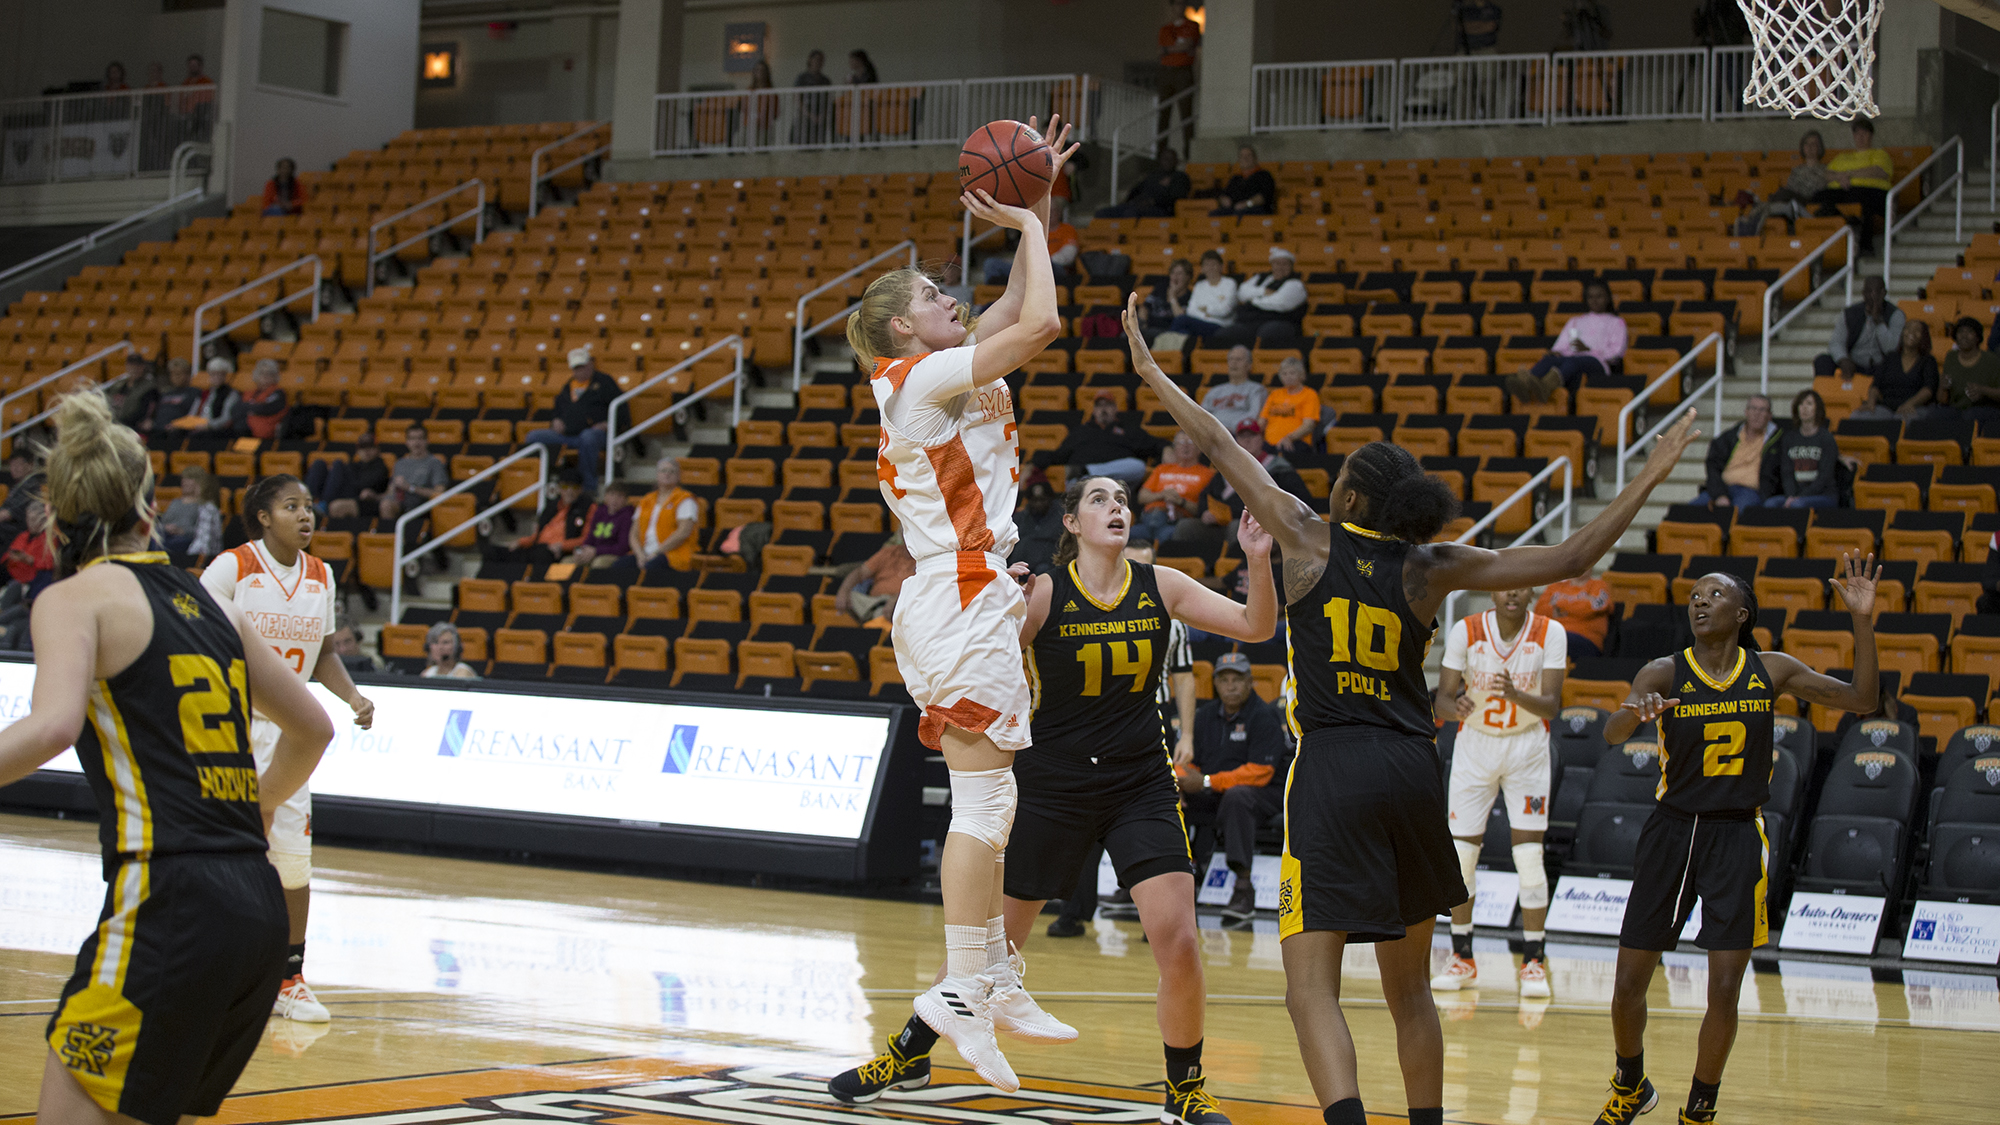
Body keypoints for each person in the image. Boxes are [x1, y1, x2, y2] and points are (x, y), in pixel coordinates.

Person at [1118, 289, 1700, 1125]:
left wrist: (1150, 367)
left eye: (1342, 475)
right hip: (1410, 767)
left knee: (1308, 985)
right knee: (1410, 991)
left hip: (1332, 769)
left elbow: (1214, 436)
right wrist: (1653, 464)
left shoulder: (1307, 533)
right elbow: (1575, 551)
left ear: (1351, 501)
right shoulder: (1433, 566)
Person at [832, 476, 1276, 1125]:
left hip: (1139, 782)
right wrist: (997, 607)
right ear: (1070, 521)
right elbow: (989, 663)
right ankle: (910, 1049)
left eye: (1121, 499)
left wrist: (1257, 560)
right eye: (1098, 499)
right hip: (1054, 783)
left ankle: (1185, 1088)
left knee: (1178, 938)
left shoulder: (1161, 585)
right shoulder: (1043, 591)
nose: (1115, 506)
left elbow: (1257, 624)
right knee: (991, 948)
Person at [0, 389, 333, 1125]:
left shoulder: (73, 597)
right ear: (149, 506)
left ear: (57, 514)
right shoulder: (215, 603)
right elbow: (314, 728)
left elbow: (53, 725)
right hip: (255, 902)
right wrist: (261, 806)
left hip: (169, 897)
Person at [834, 114, 1077, 1093]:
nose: (951, 299)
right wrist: (1023, 225)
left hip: (962, 594)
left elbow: (1017, 309)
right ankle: (968, 988)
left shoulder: (932, 371)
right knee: (983, 799)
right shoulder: (921, 375)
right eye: (936, 295)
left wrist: (1039, 203)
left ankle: (986, 979)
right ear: (903, 323)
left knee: (994, 796)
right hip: (961, 590)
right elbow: (1045, 322)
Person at [1595, 557, 1878, 1125]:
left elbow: (1862, 701)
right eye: (1695, 595)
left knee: (1724, 989)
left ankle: (1700, 1108)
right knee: (1628, 984)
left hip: (1736, 836)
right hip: (1671, 831)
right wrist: (1637, 712)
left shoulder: (1771, 670)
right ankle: (1630, 1083)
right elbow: (1612, 732)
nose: (1699, 601)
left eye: (1714, 594)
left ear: (1741, 613)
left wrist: (1863, 624)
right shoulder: (1663, 672)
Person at [201, 474, 375, 1026]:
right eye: (291, 506)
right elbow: (192, 635)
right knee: (213, 853)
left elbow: (323, 653)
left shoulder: (321, 575)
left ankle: (288, 977)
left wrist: (351, 696)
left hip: (289, 738)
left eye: (309, 507)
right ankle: (204, 966)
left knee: (293, 868)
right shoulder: (233, 567)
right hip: (225, 728)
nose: (306, 516)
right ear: (262, 516)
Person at [1429, 587, 1566, 999]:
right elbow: (1442, 703)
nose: (1513, 592)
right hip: (1476, 746)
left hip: (1527, 747)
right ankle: (1462, 955)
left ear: (1531, 592)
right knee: (1462, 856)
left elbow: (1552, 707)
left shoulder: (1550, 632)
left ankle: (1534, 961)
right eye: (1506, 585)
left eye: (1521, 586)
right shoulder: (1467, 630)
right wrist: (1457, 709)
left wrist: (1515, 694)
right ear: (1493, 591)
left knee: (1528, 856)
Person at [1181, 652, 1287, 921]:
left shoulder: (1264, 716)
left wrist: (1206, 781)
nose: (1230, 685)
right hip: (1216, 788)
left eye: (1237, 679)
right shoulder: (1204, 716)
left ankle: (1243, 889)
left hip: (1265, 792)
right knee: (1168, 796)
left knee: (1238, 797)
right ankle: (1180, 880)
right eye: (1224, 679)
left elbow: (1260, 772)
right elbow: (1187, 760)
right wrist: (1181, 780)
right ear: (1215, 684)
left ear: (1250, 682)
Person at [525, 348, 621, 493]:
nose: (579, 371)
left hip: (595, 434)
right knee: (534, 436)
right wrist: (556, 421)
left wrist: (608, 424)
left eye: (582, 366)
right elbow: (557, 409)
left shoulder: (605, 382)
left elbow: (620, 407)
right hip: (567, 435)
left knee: (587, 438)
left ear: (590, 364)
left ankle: (588, 487)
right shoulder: (568, 386)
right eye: (576, 368)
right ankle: (547, 479)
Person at [1515, 280, 1627, 401]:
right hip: (1573, 357)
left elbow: (1617, 351)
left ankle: (1546, 386)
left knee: (1572, 362)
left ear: (1608, 298)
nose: (1594, 300)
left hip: (1597, 362)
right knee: (1549, 359)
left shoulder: (1616, 322)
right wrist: (1557, 352)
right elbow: (1563, 344)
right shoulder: (1576, 321)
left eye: (1599, 296)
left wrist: (1592, 352)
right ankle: (1525, 383)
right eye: (1590, 297)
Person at [1032, 391, 1163, 493]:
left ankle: (1088, 471)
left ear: (1116, 409)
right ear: (1094, 410)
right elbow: (1059, 455)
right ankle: (1086, 476)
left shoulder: (1128, 430)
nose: (1103, 409)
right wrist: (1033, 464)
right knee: (1074, 480)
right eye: (1099, 406)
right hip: (1083, 484)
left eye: (1108, 405)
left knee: (1138, 466)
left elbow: (1154, 445)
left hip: (1116, 483)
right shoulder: (1080, 431)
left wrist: (1167, 449)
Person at [1814, 117, 1894, 254]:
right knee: (1818, 197)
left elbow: (1878, 171)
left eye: (1864, 133)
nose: (1860, 137)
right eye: (1857, 133)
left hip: (1872, 192)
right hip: (1843, 191)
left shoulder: (1880, 154)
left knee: (1862, 200)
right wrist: (1841, 177)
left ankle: (1865, 246)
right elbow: (1827, 175)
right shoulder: (1843, 157)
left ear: (1871, 135)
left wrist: (1848, 174)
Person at [1734, 130, 1829, 236]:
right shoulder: (1796, 170)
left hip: (1807, 200)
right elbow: (1791, 186)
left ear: (1819, 147)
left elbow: (1816, 188)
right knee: (1781, 201)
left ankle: (1757, 208)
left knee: (1783, 193)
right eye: (1806, 143)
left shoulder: (1825, 169)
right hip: (1791, 201)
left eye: (1813, 144)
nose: (1810, 147)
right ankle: (1756, 217)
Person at [490, 469, 589, 566]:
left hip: (557, 552)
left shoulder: (587, 508)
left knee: (541, 554)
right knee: (493, 552)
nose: (569, 491)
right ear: (558, 488)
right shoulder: (551, 507)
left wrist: (562, 546)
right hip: (538, 547)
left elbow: (586, 539)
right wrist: (520, 542)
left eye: (574, 487)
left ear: (581, 489)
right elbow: (537, 536)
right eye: (565, 486)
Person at [1764, 388, 1843, 509]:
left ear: (1817, 409)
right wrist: (1791, 495)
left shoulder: (1826, 438)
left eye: (1809, 404)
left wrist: (1800, 497)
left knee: (1798, 505)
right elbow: (1787, 473)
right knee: (1770, 504)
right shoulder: (1789, 438)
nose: (1804, 408)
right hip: (1795, 495)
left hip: (1823, 495)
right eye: (1801, 404)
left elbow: (1824, 477)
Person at [1695, 395, 1777, 509]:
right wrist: (1720, 495)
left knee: (1733, 514)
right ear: (1746, 412)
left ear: (1769, 416)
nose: (1757, 414)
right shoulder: (1729, 437)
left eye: (1762, 410)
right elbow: (1712, 466)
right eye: (1753, 408)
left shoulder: (1777, 441)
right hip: (1723, 488)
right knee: (1690, 510)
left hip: (1751, 492)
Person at [1814, 275, 1903, 380]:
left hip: (1882, 365)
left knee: (1896, 368)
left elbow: (1891, 349)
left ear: (1883, 293)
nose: (1871, 296)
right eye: (1868, 292)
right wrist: (1843, 359)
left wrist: (1878, 322)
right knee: (1822, 361)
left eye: (1875, 292)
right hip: (1854, 363)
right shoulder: (1850, 313)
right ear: (1863, 293)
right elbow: (1836, 342)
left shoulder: (1896, 315)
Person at [1134, 431, 1215, 546]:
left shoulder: (1207, 474)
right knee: (1129, 534)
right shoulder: (1162, 469)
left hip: (1177, 521)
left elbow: (1202, 508)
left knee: (1168, 536)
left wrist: (1180, 501)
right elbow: (1142, 496)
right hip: (1150, 518)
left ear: (1199, 449)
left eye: (1190, 442)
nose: (1185, 446)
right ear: (1174, 448)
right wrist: (1163, 494)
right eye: (1181, 442)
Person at [1850, 319, 1940, 420]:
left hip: (1915, 407)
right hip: (1887, 407)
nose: (1911, 332)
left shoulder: (1928, 361)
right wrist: (1871, 403)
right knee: (1857, 416)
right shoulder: (1890, 357)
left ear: (1924, 337)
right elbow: (1875, 385)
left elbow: (1928, 390)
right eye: (1908, 328)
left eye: (1917, 330)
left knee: (1903, 420)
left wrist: (1909, 404)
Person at [628, 456, 700, 574]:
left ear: (678, 477)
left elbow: (683, 532)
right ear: (657, 475)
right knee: (619, 567)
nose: (667, 474)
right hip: (644, 553)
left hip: (672, 554)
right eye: (663, 471)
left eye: (672, 471)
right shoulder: (646, 500)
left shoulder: (685, 499)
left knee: (651, 568)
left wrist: (656, 553)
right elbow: (633, 534)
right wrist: (640, 555)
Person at [1229, 247, 1309, 343]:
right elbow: (1242, 293)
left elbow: (1280, 303)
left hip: (1281, 321)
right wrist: (1263, 292)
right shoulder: (1261, 277)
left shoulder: (1296, 283)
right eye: (1277, 263)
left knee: (1268, 333)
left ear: (1291, 266)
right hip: (1252, 320)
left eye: (1285, 264)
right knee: (1228, 332)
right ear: (1272, 265)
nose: (1280, 267)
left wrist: (1252, 300)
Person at [306, 433, 390, 520]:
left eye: (370, 447)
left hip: (359, 498)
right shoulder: (355, 465)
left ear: (377, 449)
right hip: (347, 492)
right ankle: (309, 503)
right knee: (318, 464)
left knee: (338, 464)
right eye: (362, 447)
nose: (366, 451)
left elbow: (363, 484)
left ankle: (324, 506)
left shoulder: (381, 467)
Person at [837, 533, 916, 625]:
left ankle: (873, 619)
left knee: (885, 612)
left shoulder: (924, 559)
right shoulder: (887, 552)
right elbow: (860, 572)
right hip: (873, 601)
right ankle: (873, 614)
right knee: (849, 597)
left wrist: (897, 598)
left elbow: (921, 587)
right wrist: (843, 591)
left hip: (901, 603)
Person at [379, 422, 449, 526]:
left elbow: (439, 493)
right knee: (383, 504)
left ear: (427, 441)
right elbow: (390, 491)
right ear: (407, 442)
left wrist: (410, 487)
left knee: (387, 505)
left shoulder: (435, 463)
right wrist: (374, 496)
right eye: (412, 439)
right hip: (399, 504)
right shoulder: (400, 463)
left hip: (422, 507)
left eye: (420, 438)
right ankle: (389, 538)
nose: (416, 443)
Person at [1099, 146, 1191, 220]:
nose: (1168, 162)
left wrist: (1153, 201)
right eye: (1165, 159)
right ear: (1160, 160)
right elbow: (1136, 190)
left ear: (1176, 161)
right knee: (1102, 213)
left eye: (1171, 159)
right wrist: (1128, 201)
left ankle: (1126, 241)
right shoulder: (1152, 175)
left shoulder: (1180, 177)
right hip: (1137, 206)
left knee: (1130, 213)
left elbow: (1177, 197)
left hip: (1161, 210)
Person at [1535, 574, 1611, 660]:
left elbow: (1592, 608)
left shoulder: (1599, 585)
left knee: (1555, 640)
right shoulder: (1555, 586)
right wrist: (1580, 602)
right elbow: (1539, 610)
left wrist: (1559, 604)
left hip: (1585, 640)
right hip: (1553, 635)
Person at [1157, 4, 1201, 153]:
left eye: (1182, 4)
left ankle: (1188, 151)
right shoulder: (1166, 29)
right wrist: (1178, 47)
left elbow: (1188, 45)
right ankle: (1160, 151)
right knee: (1163, 113)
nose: (1179, 8)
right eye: (1176, 4)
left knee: (1186, 113)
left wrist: (1171, 49)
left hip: (1184, 72)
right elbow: (1162, 49)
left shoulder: (1193, 26)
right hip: (1166, 72)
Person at [1941, 315, 2000, 425]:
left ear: (1977, 337)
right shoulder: (1951, 357)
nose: (1964, 336)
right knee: (1935, 414)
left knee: (1971, 415)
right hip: (1956, 409)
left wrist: (1983, 390)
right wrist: (1942, 386)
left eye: (1969, 332)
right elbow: (1942, 399)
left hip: (1986, 409)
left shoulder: (1992, 360)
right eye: (1960, 332)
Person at [1169, 250, 1239, 338]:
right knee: (1184, 332)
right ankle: (1172, 351)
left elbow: (1225, 311)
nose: (1210, 267)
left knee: (1181, 320)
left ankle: (1166, 349)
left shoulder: (1230, 283)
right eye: (1207, 264)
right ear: (1202, 269)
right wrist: (1207, 312)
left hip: (1220, 325)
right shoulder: (1199, 286)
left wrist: (1205, 309)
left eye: (1213, 264)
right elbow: (1191, 310)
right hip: (1199, 324)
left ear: (1221, 266)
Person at [1260, 356, 1322, 452]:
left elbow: (1308, 425)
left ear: (1301, 375)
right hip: (1269, 443)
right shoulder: (1275, 394)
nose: (1288, 376)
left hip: (1295, 442)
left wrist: (1289, 437)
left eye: (1292, 373)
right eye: (1284, 373)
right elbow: (1262, 421)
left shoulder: (1309, 394)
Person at [158, 466, 223, 557]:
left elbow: (202, 532)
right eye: (183, 479)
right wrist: (166, 528)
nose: (184, 482)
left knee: (172, 544)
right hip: (167, 536)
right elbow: (163, 522)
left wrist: (182, 531)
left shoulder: (204, 506)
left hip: (186, 540)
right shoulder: (175, 502)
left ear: (198, 482)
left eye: (189, 479)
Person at [1199, 345, 1264, 432]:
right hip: (1212, 433)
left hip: (1239, 433)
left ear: (1249, 365)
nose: (1234, 363)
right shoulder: (1214, 391)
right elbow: (1202, 415)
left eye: (1238, 359)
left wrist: (1229, 429)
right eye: (1231, 359)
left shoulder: (1257, 389)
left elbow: (1254, 415)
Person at [572, 480, 633, 567]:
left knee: (599, 563)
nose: (614, 499)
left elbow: (622, 548)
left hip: (612, 555)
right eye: (612, 494)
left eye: (619, 496)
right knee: (567, 561)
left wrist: (596, 551)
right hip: (594, 552)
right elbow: (590, 538)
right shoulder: (599, 512)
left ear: (626, 500)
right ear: (605, 497)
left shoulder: (627, 516)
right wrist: (581, 550)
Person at [1010, 479, 1065, 573]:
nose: (1038, 504)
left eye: (1042, 500)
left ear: (1050, 499)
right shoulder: (1019, 518)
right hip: (1021, 564)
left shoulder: (1061, 518)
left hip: (1049, 566)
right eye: (1034, 500)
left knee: (1043, 569)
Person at [1210, 145, 1276, 217]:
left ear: (1255, 158)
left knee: (1239, 214)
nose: (1245, 158)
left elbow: (1264, 197)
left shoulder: (1264, 175)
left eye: (1248, 155)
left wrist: (1247, 204)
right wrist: (1223, 199)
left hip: (1255, 210)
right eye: (1242, 156)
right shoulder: (1236, 178)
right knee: (1214, 214)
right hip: (1234, 209)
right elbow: (1224, 194)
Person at [235, 357, 288, 439]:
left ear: (275, 376)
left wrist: (249, 408)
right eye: (262, 373)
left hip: (265, 434)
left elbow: (266, 408)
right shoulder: (249, 393)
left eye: (269, 374)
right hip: (245, 430)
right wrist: (253, 408)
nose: (265, 377)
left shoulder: (278, 393)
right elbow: (237, 408)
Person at [148, 357, 200, 438]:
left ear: (188, 375)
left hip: (178, 431)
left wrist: (179, 425)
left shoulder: (194, 392)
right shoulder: (165, 393)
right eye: (172, 373)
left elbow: (193, 414)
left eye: (178, 374)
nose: (175, 377)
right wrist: (150, 421)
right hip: (158, 429)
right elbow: (155, 413)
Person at [1144, 259, 1197, 336]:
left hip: (1170, 331)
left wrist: (1172, 296)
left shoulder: (1191, 297)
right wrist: (1142, 323)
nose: (1175, 277)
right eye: (1173, 273)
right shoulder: (1160, 288)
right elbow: (1144, 307)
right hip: (1150, 327)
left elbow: (1180, 319)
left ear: (1188, 277)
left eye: (1179, 273)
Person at [793, 50, 834, 145]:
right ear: (810, 60)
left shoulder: (825, 80)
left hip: (820, 116)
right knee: (803, 142)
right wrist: (810, 115)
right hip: (805, 116)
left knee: (818, 143)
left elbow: (829, 99)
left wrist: (822, 115)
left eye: (821, 60)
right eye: (816, 59)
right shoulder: (802, 78)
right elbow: (797, 98)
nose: (818, 62)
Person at [112, 352, 159, 430]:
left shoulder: (149, 388)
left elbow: (143, 413)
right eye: (132, 365)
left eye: (138, 366)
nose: (135, 369)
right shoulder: (118, 385)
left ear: (143, 367)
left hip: (132, 427)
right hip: (115, 424)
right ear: (127, 366)